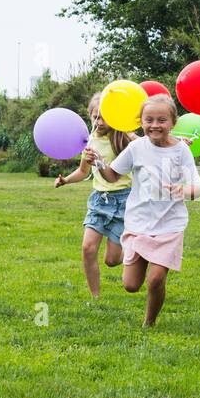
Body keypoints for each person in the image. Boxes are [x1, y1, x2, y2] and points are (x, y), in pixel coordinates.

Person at [87, 95, 200, 327]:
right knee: (131, 285)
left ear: (172, 123)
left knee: (156, 279)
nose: (155, 125)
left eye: (162, 120)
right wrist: (98, 162)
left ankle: (149, 322)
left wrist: (184, 190)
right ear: (141, 122)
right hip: (138, 223)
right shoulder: (136, 147)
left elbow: (197, 187)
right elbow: (112, 175)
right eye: (149, 119)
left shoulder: (181, 151)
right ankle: (143, 278)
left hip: (170, 225)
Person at [55, 92, 137, 298]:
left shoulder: (125, 137)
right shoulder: (89, 141)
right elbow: (83, 171)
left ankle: (135, 251)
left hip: (123, 200)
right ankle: (95, 297)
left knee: (111, 260)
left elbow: (151, 143)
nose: (99, 121)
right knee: (87, 248)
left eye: (103, 117)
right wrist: (66, 180)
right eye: (95, 117)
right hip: (99, 200)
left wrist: (177, 142)